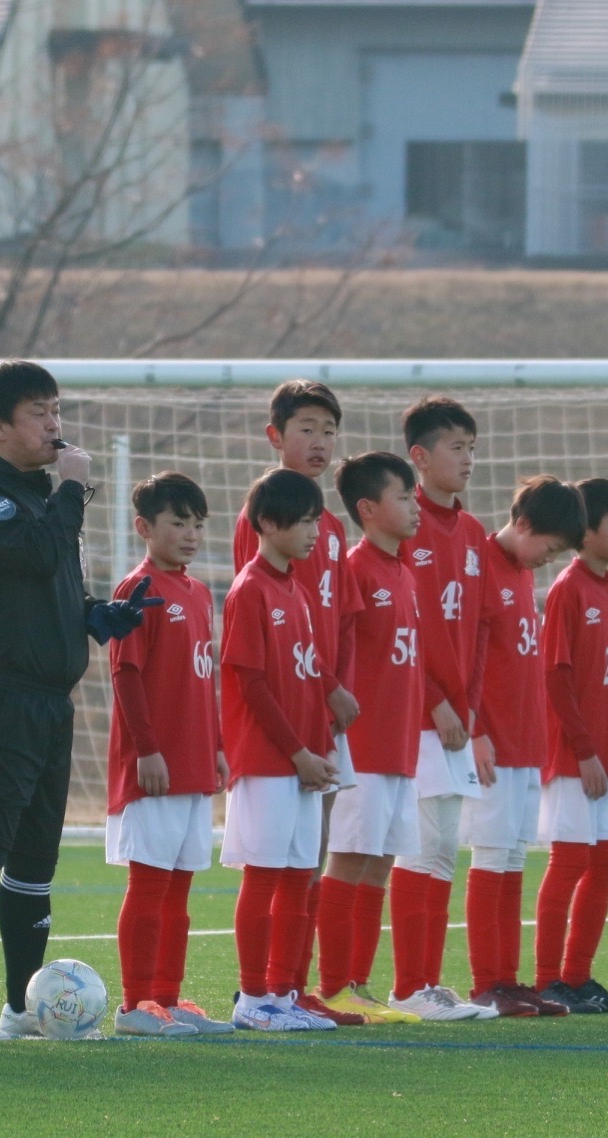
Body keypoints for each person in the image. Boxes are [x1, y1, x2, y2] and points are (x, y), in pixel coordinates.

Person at [0, 360, 155, 1041]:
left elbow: (46, 579)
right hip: (0, 695)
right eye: (38, 412)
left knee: (34, 862)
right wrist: (74, 489)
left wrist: (93, 614)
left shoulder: (43, 498)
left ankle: (20, 1007)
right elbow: (32, 554)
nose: (54, 423)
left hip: (52, 702)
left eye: (56, 409)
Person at [230, 380, 361, 1025]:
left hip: (315, 721)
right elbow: (252, 666)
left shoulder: (327, 530)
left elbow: (341, 620)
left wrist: (333, 691)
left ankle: (288, 988)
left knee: (307, 859)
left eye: (329, 430)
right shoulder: (259, 537)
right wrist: (321, 696)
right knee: (274, 866)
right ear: (276, 436)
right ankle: (258, 993)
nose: (320, 442)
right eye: (306, 428)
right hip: (281, 732)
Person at [105, 472, 228, 1038]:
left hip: (195, 762)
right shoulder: (138, 588)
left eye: (197, 524)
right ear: (144, 528)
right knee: (150, 884)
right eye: (178, 522)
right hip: (155, 766)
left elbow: (204, 680)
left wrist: (217, 747)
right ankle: (135, 1005)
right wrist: (147, 750)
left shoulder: (198, 592)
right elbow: (126, 673)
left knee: (180, 888)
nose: (190, 534)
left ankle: (168, 998)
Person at [461, 476, 587, 1018]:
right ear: (525, 523)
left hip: (526, 743)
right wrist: (475, 731)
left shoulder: (522, 572)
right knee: (490, 857)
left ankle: (510, 980)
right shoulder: (481, 566)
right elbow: (469, 657)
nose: (548, 560)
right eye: (549, 548)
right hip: (493, 742)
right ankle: (486, 981)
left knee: (513, 859)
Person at [222, 469, 341, 1032]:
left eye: (318, 519)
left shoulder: (296, 588)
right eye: (306, 520)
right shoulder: (249, 588)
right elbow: (251, 685)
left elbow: (308, 680)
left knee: (299, 875)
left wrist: (319, 750)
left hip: (302, 762)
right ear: (269, 523)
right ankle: (252, 998)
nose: (316, 531)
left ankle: (282, 993)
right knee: (265, 876)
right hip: (269, 762)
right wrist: (297, 753)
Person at [389, 398, 495, 1023]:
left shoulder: (475, 533)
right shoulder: (407, 526)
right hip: (418, 714)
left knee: (444, 850)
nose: (468, 459)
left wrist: (469, 709)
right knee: (421, 847)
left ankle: (429, 982)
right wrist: (434, 702)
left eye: (472, 448)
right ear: (421, 457)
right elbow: (404, 625)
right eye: (457, 447)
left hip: (457, 718)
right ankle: (409, 986)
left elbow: (479, 630)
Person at [316, 452, 423, 1024]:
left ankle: (357, 984)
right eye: (403, 497)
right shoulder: (355, 568)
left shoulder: (403, 571)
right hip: (363, 745)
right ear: (368, 508)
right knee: (349, 861)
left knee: (379, 865)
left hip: (401, 746)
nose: (414, 506)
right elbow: (334, 651)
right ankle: (333, 986)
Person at [533, 478, 608, 1015]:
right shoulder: (568, 588)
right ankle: (547, 981)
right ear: (588, 530)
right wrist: (583, 750)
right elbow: (555, 677)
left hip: (602, 751)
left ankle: (578, 978)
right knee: (571, 859)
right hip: (573, 754)